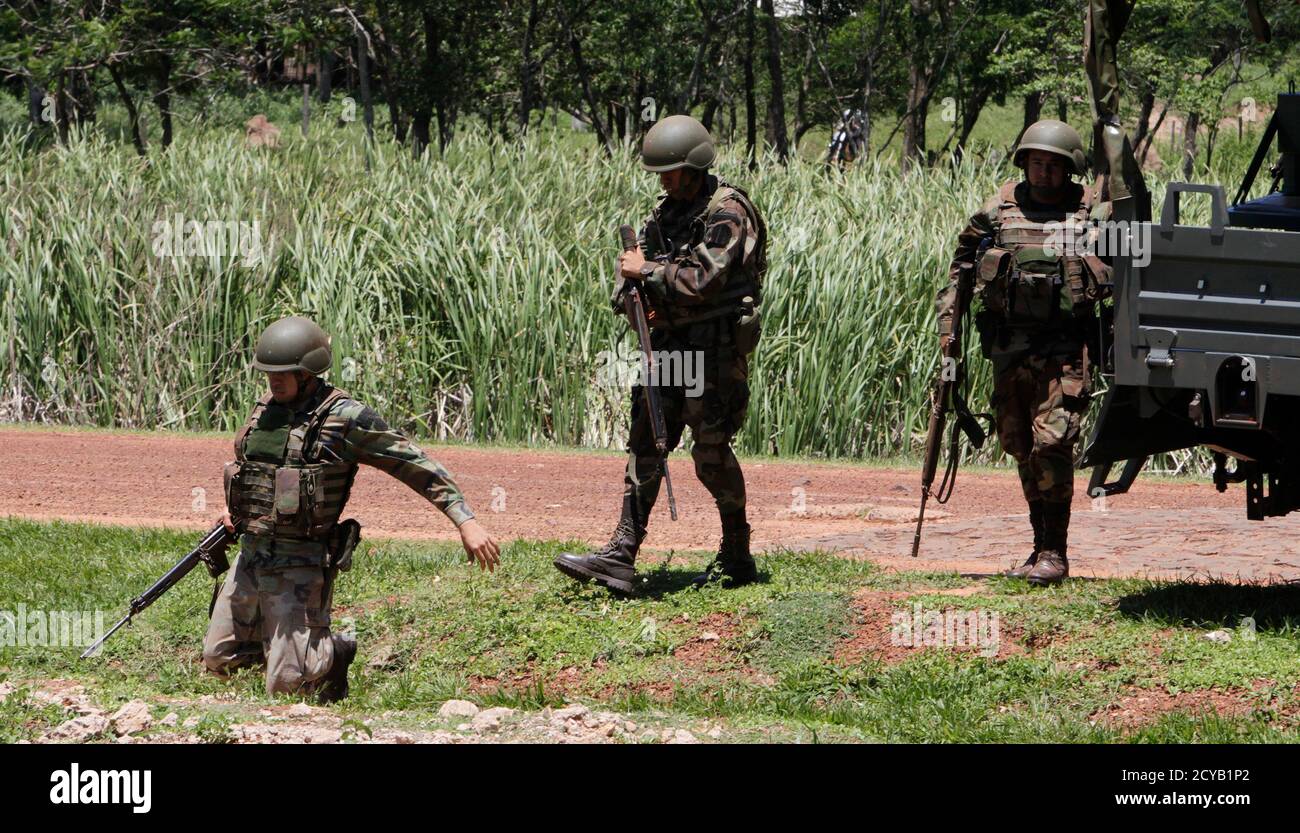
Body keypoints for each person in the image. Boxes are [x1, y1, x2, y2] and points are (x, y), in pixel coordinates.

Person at [202, 315, 499, 700]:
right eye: (269, 373)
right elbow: (254, 471)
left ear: (307, 373)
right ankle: (290, 649)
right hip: (252, 554)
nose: (274, 381)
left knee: (287, 687)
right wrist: (235, 510)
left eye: (284, 373)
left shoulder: (345, 418)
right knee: (219, 656)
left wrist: (464, 520)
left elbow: (413, 463)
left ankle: (330, 658)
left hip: (299, 562)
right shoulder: (265, 410)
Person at [553, 114, 767, 594]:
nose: (664, 181)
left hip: (713, 354)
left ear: (694, 167)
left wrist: (646, 272)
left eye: (671, 172)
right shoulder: (663, 215)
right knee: (646, 442)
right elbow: (631, 276)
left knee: (710, 454)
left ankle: (737, 554)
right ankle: (621, 552)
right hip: (668, 349)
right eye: (660, 174)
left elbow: (702, 280)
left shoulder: (728, 212)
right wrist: (630, 293)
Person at [936, 120, 1111, 586]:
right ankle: (1039, 547)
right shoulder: (997, 212)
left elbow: (1130, 262)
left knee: (1053, 442)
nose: (1043, 173)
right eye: (1036, 163)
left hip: (1065, 349)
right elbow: (960, 274)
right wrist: (949, 334)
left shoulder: (1091, 213)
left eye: (1053, 165)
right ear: (1023, 164)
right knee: (1020, 445)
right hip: (1009, 348)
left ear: (1070, 169)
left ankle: (1056, 552)